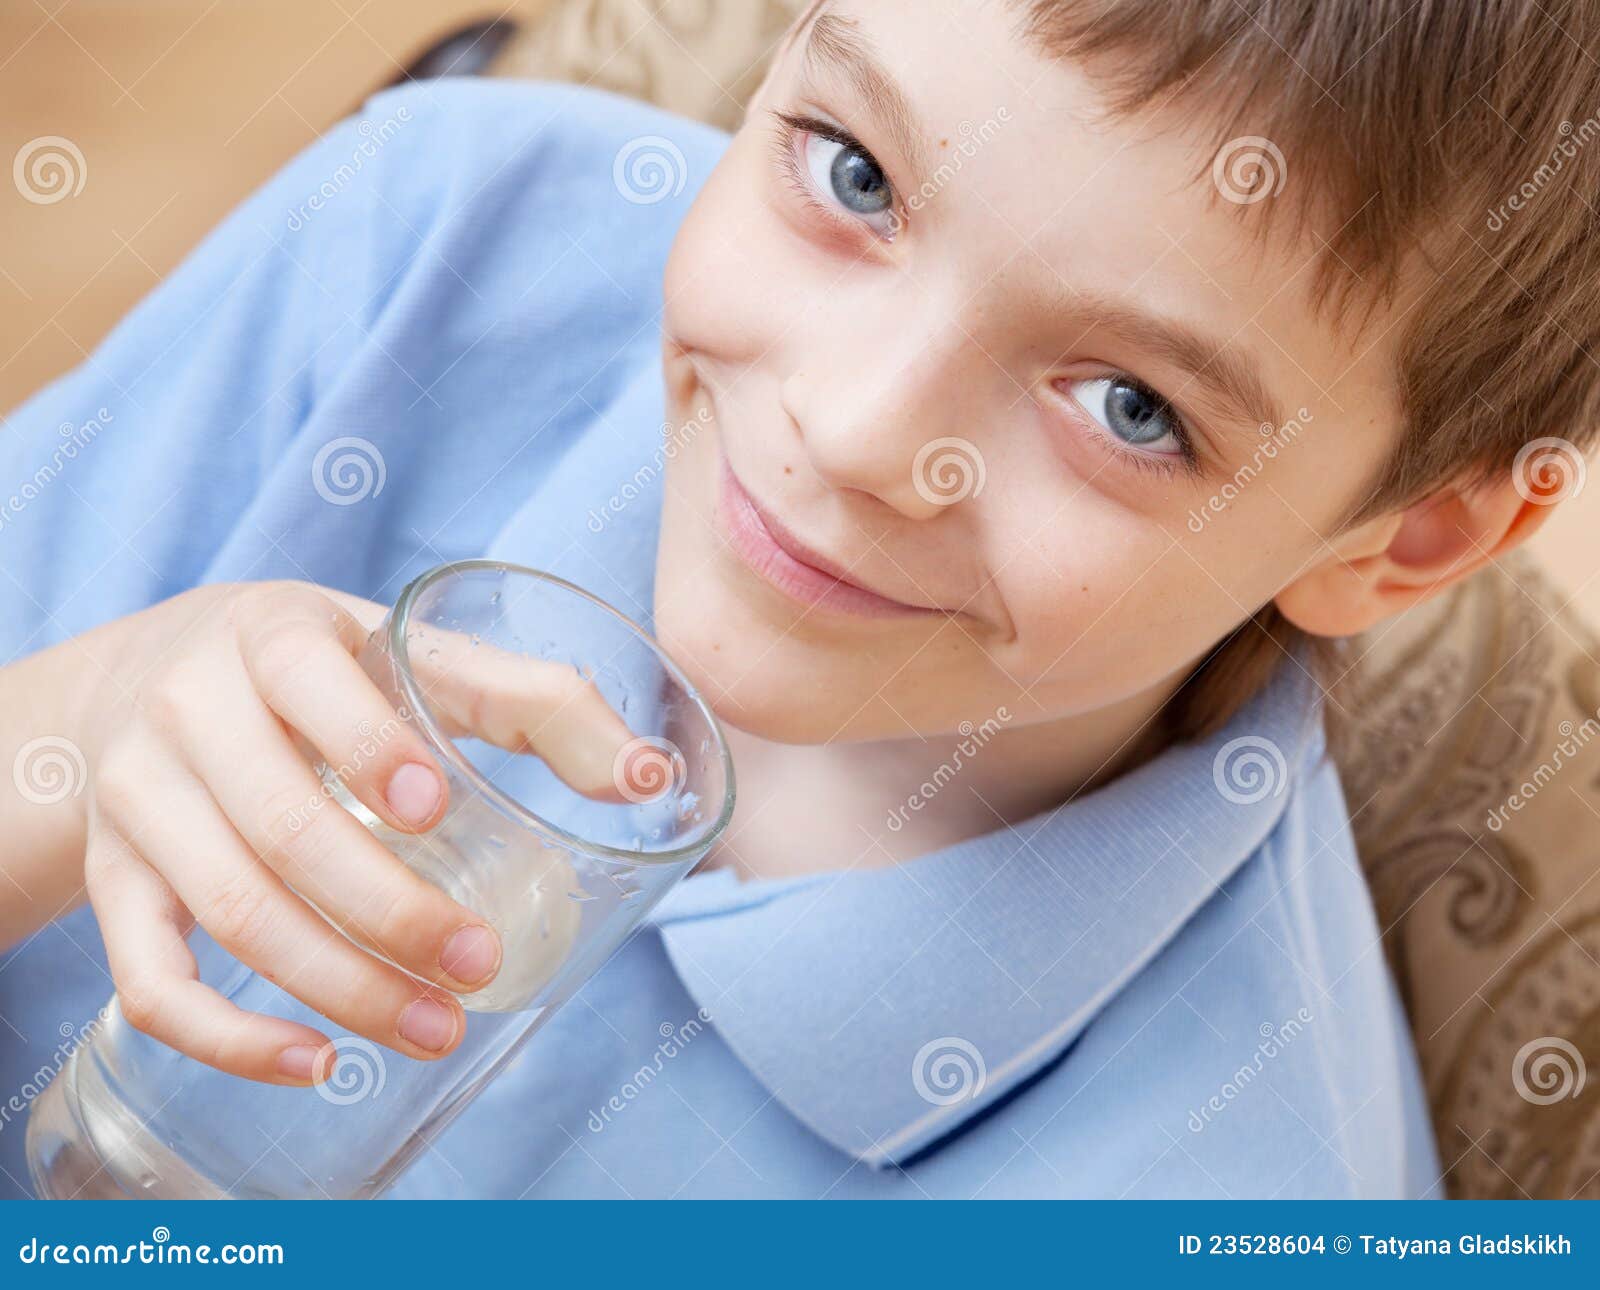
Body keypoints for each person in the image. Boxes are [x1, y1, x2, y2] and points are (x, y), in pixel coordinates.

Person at [2, 0, 1596, 1198]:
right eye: (853, 173)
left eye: (1127, 407)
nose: (852, 428)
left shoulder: (1221, 1176)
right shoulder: (428, 235)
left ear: (1412, 539)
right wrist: (74, 727)